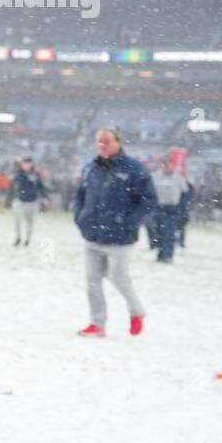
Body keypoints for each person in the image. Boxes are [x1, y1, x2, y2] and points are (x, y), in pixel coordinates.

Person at [74, 128, 156, 338]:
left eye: (107, 141)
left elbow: (148, 200)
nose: (102, 145)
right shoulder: (90, 168)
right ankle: (97, 323)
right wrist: (80, 217)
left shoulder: (134, 169)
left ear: (118, 142)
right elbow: (80, 196)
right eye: (99, 142)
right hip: (92, 235)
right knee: (92, 282)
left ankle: (136, 311)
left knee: (118, 277)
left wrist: (129, 221)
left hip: (121, 238)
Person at [150, 159, 189, 263]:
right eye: (164, 165)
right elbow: (150, 192)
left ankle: (168, 255)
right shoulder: (155, 176)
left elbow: (185, 194)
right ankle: (160, 253)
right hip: (159, 207)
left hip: (172, 208)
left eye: (168, 165)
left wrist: (182, 209)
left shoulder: (178, 178)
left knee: (169, 233)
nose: (166, 167)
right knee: (159, 232)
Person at [9, 155, 48, 246]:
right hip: (20, 200)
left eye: (27, 163)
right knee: (17, 220)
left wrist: (44, 197)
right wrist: (24, 175)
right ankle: (18, 238)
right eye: (24, 163)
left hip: (32, 201)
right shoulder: (19, 173)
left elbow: (41, 187)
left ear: (31, 164)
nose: (26, 165)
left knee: (29, 221)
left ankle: (27, 240)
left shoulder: (36, 174)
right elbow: (16, 182)